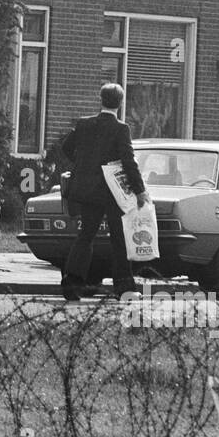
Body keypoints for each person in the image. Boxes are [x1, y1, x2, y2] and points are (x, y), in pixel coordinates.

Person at [58, 82, 149, 301]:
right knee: (119, 238)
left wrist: (83, 165)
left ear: (101, 99)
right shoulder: (121, 129)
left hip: (87, 190)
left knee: (85, 236)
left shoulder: (83, 124)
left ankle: (71, 284)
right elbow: (128, 161)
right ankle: (125, 288)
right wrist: (139, 190)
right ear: (120, 102)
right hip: (112, 192)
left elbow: (66, 147)